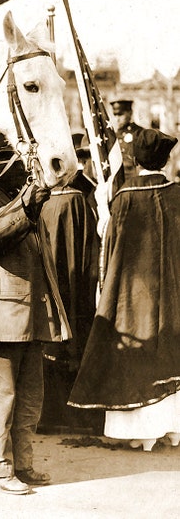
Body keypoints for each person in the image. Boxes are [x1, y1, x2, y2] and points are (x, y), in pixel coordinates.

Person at [0, 133, 70, 495]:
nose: (26, 169)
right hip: (0, 321)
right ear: (0, 163)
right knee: (1, 399)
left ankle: (21, 464)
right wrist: (23, 207)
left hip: (29, 319)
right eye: (18, 161)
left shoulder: (21, 201)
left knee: (29, 400)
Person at [68, 128, 180, 451]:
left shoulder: (125, 197)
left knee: (137, 352)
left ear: (135, 160)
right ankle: (173, 429)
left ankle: (144, 431)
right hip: (173, 291)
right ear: (166, 159)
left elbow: (111, 249)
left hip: (134, 295)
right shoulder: (176, 195)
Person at [36, 133, 103, 435]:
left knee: (51, 344)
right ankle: (78, 416)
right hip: (79, 289)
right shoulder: (78, 201)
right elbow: (90, 248)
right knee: (77, 337)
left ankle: (49, 415)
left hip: (51, 288)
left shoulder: (43, 201)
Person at [110, 99, 145, 180]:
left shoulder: (139, 133)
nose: (117, 119)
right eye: (115, 115)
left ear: (130, 113)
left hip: (134, 177)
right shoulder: (112, 135)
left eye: (120, 115)